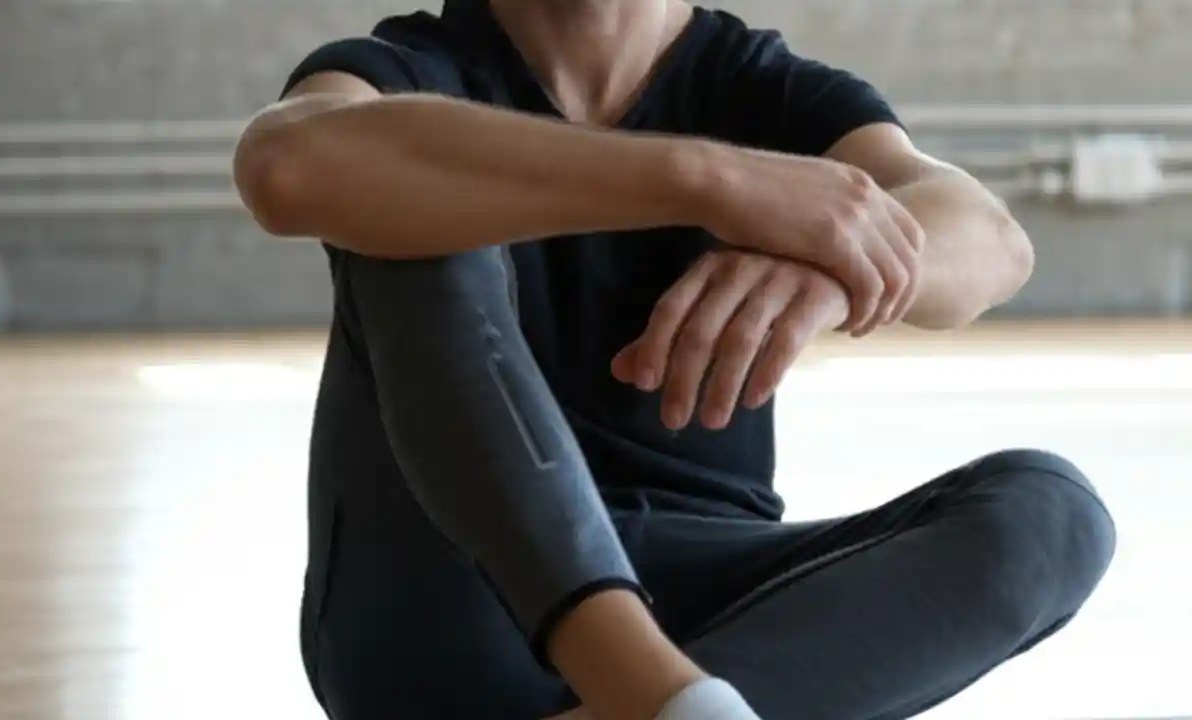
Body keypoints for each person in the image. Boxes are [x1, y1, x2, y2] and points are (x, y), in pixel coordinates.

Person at [233, 0, 1117, 718]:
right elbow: (285, 165)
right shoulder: (404, 70)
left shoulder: (766, 90)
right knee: (415, 207)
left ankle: (679, 705)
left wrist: (837, 270)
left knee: (1052, 512)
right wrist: (708, 178)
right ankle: (654, 697)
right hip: (447, 598)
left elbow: (993, 242)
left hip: (701, 600)